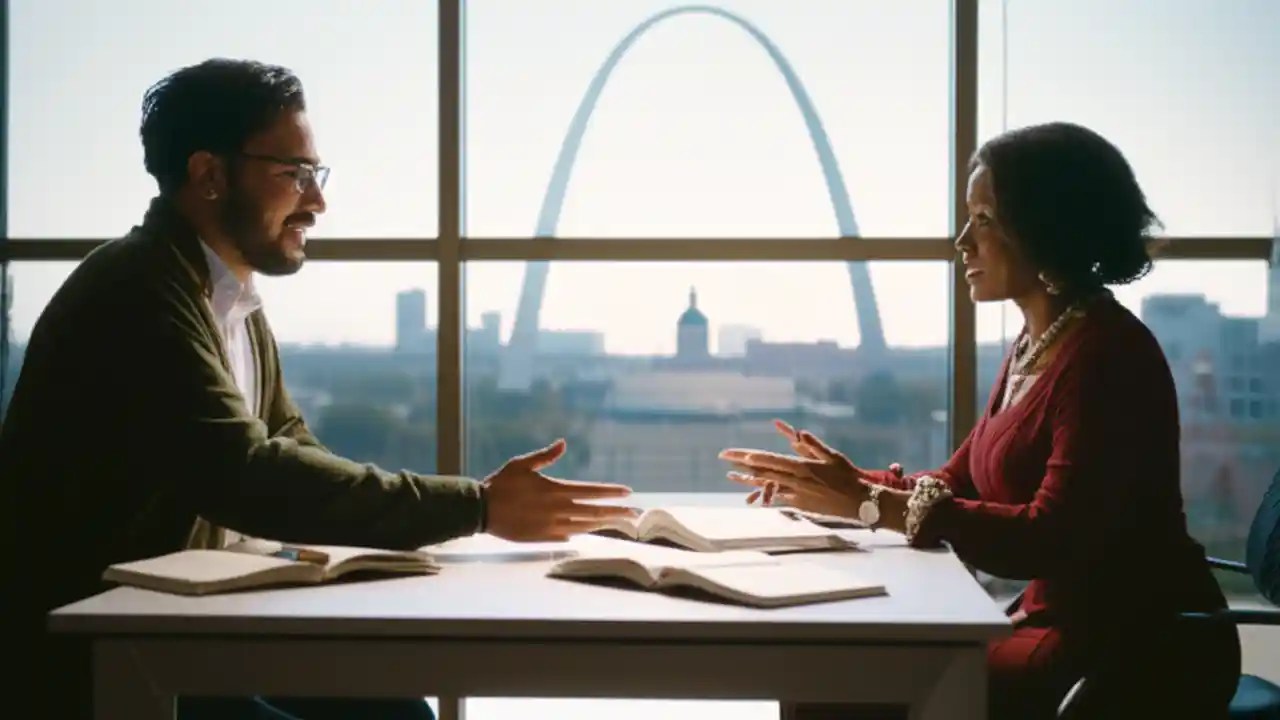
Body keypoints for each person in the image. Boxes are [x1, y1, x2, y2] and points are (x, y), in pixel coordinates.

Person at [0, 58, 636, 720]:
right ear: (209, 175)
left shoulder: (223, 292)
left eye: (315, 174)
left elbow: (287, 442)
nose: (318, 200)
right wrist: (474, 508)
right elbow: (245, 471)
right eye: (294, 173)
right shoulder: (140, 293)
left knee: (400, 715)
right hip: (100, 662)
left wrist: (442, 518)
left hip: (180, 629)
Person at [720, 122, 1241, 719]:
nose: (963, 241)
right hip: (1057, 623)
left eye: (985, 220)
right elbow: (957, 482)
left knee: (845, 686)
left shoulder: (1107, 355)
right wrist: (837, 483)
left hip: (1129, 649)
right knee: (833, 676)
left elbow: (1051, 538)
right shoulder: (1039, 343)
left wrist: (867, 503)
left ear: (1045, 227)